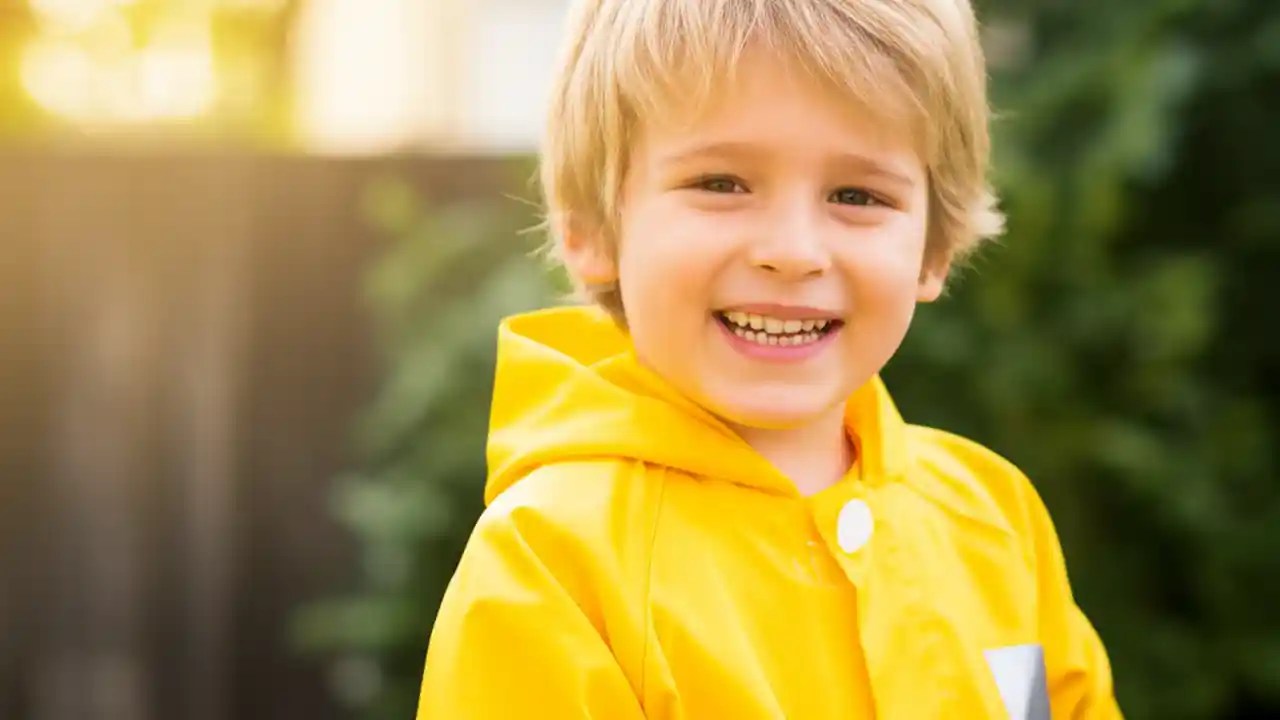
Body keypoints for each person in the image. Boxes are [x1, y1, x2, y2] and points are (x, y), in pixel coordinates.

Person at [416, 0, 1122, 717]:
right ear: (594, 231)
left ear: (933, 251)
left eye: (857, 195)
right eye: (721, 184)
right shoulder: (553, 559)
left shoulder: (995, 519)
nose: (792, 251)